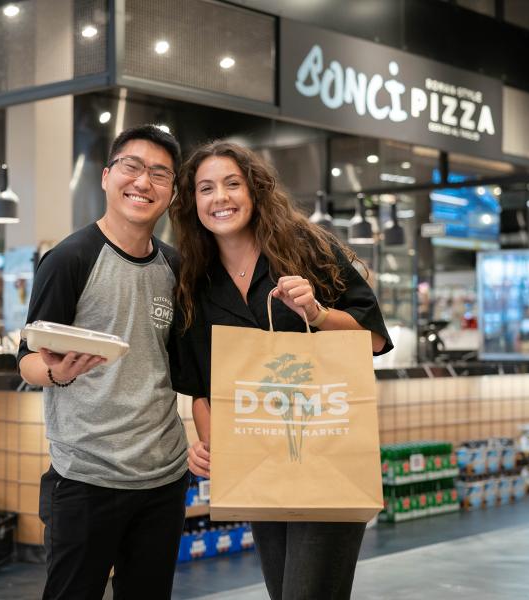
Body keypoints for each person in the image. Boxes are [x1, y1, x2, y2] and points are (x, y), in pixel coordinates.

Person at [169, 141, 393, 600]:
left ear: (254, 190)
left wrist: (316, 314)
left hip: (329, 456)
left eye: (232, 184)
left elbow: (370, 338)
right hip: (263, 467)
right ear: (193, 202)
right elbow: (203, 390)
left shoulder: (307, 247)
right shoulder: (194, 282)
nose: (221, 198)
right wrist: (211, 449)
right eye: (206, 188)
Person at [18, 124, 189, 600]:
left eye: (160, 174)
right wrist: (57, 372)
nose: (143, 182)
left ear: (172, 192)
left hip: (164, 477)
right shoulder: (70, 258)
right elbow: (28, 360)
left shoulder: (175, 268)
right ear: (107, 176)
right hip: (86, 476)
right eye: (132, 167)